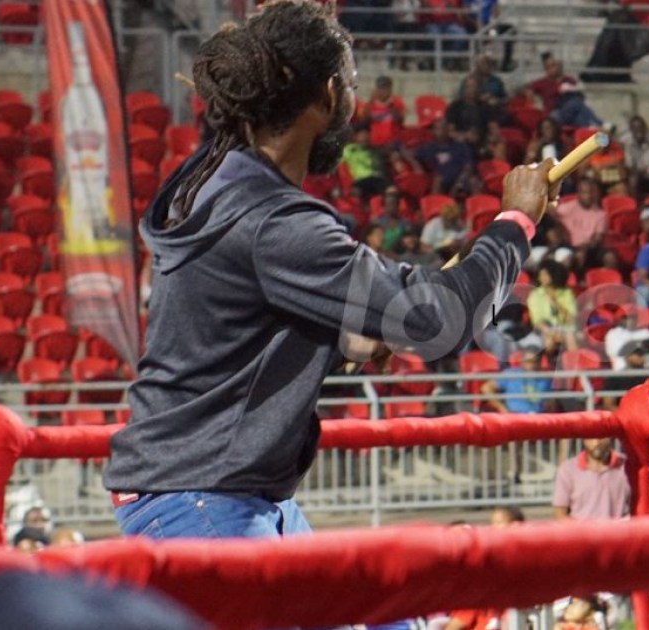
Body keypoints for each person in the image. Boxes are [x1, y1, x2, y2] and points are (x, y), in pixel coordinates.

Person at [104, 0, 558, 540]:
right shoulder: (275, 221)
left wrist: (343, 338)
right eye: (351, 82)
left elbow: (231, 319)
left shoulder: (209, 182)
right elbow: (443, 319)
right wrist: (515, 222)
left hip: (204, 489)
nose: (355, 99)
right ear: (326, 94)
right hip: (204, 496)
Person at [552, 437, 630, 521]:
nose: (596, 442)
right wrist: (583, 532)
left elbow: (640, 507)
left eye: (601, 436)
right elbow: (560, 514)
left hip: (620, 532)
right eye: (590, 437)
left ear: (609, 437)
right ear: (583, 438)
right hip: (580, 533)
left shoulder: (628, 466)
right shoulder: (567, 470)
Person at [552, 177, 606, 251]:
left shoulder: (601, 214)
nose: (588, 196)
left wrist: (585, 248)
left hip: (589, 249)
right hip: (567, 247)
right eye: (584, 192)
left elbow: (597, 238)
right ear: (578, 193)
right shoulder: (565, 208)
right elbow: (552, 219)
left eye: (591, 192)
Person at [358, 75, 404, 148]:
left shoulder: (396, 102)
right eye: (381, 88)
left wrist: (390, 106)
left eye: (386, 88)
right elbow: (363, 121)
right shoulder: (371, 103)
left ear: (390, 89)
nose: (383, 91)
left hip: (392, 142)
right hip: (375, 142)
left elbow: (400, 121)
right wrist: (371, 101)